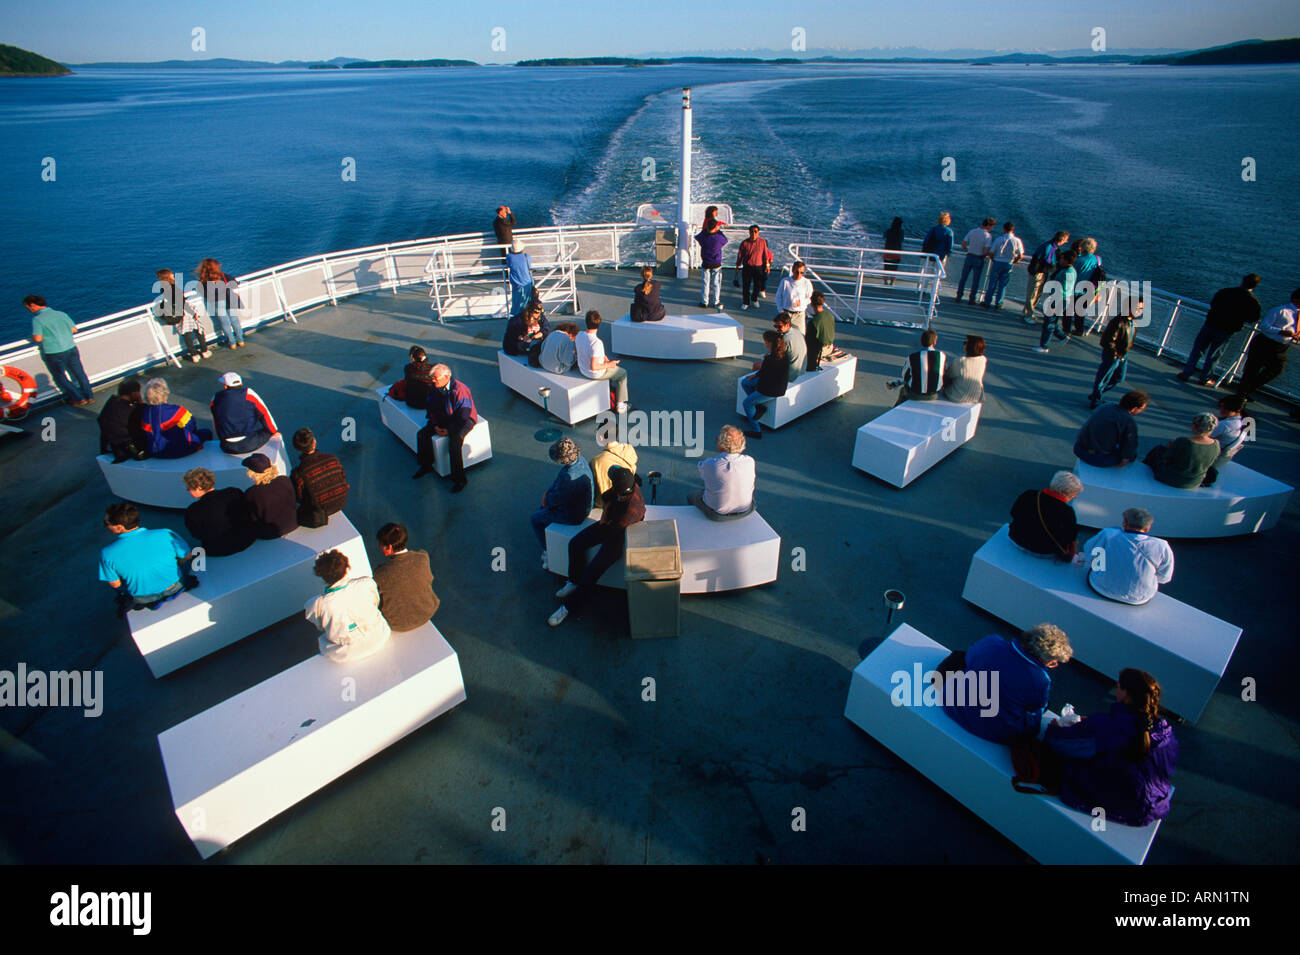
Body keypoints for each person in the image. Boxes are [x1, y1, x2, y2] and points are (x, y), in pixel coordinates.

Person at [1042, 668, 1177, 827]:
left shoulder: (1107, 726)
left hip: (1127, 801)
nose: (1116, 688)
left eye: (1118, 686)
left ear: (1126, 694)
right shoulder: (1165, 730)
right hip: (1156, 800)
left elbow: (1059, 743)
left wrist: (1056, 727)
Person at [942, 624, 1074, 744]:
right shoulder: (1040, 681)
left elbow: (969, 657)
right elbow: (1035, 708)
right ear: (1044, 658)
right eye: (1054, 662)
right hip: (990, 731)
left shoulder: (991, 643)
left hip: (952, 705)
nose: (1055, 665)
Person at [548, 466, 645, 627]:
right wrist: (604, 515)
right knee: (575, 543)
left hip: (620, 531)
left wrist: (606, 524)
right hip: (611, 521)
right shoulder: (627, 483)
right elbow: (608, 498)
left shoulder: (631, 511)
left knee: (593, 571)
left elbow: (615, 529)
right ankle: (573, 580)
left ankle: (568, 608)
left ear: (622, 492)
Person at [99, 501, 196, 618]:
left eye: (106, 523)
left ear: (119, 527)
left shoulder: (107, 553)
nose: (106, 526)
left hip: (143, 598)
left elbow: (115, 584)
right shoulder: (165, 533)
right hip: (175, 586)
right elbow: (188, 555)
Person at [304, 550, 391, 663]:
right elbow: (376, 602)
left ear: (322, 576)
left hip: (345, 653)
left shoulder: (316, 605)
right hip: (379, 636)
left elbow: (320, 626)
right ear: (346, 567)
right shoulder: (366, 583)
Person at [1178, 274, 1261, 385]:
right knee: (1214, 355)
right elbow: (1253, 318)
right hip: (1226, 330)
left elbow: (1213, 304)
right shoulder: (1253, 301)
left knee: (1197, 350)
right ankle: (1205, 379)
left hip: (1210, 324)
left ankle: (1186, 373)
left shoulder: (1225, 292)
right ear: (1255, 286)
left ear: (1243, 281)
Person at [1084, 508, 1174, 605]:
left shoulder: (1108, 534)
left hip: (1100, 587)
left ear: (1125, 523)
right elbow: (1164, 578)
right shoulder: (1161, 546)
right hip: (1139, 597)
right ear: (1147, 528)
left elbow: (1089, 553)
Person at [413, 363, 477, 492]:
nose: (433, 380)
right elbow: (430, 407)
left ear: (446, 377)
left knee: (455, 443)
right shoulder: (434, 388)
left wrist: (449, 430)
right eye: (432, 378)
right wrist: (436, 424)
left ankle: (459, 479)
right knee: (422, 435)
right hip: (444, 417)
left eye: (435, 378)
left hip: (462, 420)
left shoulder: (460, 390)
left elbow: (463, 416)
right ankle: (426, 465)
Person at [531, 437, 594, 567]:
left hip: (574, 515)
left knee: (536, 519)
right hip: (581, 505)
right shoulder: (580, 460)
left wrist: (546, 499)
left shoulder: (569, 476)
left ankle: (549, 552)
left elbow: (556, 499)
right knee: (542, 510)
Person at [24, 295, 94, 406]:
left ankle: (78, 398)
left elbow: (38, 338)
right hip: (71, 348)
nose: (28, 310)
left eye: (28, 307)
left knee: (60, 376)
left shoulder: (37, 319)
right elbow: (74, 329)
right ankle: (89, 396)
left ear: (32, 305)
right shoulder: (61, 314)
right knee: (80, 373)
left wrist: (31, 338)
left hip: (54, 352)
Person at [372, 523, 440, 632]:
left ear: (389, 547)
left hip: (397, 624)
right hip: (428, 611)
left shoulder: (380, 574)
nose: (379, 546)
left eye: (380, 544)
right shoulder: (423, 557)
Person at [1236, 288, 1300, 401]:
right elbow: (1264, 325)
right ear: (1296, 298)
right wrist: (1280, 331)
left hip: (1281, 347)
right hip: (1265, 343)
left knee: (1277, 369)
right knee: (1252, 369)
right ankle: (1241, 395)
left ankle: (1247, 389)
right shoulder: (1280, 310)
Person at [1009, 470, 1083, 560]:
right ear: (1064, 493)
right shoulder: (1067, 512)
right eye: (1074, 494)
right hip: (1043, 552)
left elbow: (1013, 513)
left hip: (1016, 540)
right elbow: (1070, 539)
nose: (1075, 496)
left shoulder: (1029, 494)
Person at [182, 467, 256, 557]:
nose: (188, 491)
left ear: (198, 488)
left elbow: (197, 534)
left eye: (188, 489)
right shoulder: (234, 492)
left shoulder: (193, 511)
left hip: (219, 549)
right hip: (247, 539)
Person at [689, 425, 756, 520]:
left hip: (716, 514)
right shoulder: (750, 461)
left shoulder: (710, 464)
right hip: (745, 510)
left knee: (693, 496)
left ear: (720, 446)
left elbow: (703, 474)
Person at [1088, 295, 1143, 409]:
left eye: (1141, 309)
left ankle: (1096, 394)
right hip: (1113, 354)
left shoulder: (1132, 323)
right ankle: (1095, 401)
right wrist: (1114, 354)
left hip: (1123, 354)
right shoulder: (1118, 322)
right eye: (1137, 308)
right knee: (1103, 378)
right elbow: (1107, 340)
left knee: (1119, 377)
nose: (1139, 311)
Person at [290, 427, 350, 528]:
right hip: (341, 501)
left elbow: (299, 498)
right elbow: (343, 476)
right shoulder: (332, 458)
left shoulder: (297, 473)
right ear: (314, 442)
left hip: (321, 510)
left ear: (297, 448)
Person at [137, 377, 211, 458]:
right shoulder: (177, 411)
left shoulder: (145, 412)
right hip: (181, 449)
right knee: (207, 432)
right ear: (165, 393)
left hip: (156, 451)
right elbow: (192, 426)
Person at [1144, 413, 1221, 488]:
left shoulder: (1183, 441)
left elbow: (1166, 459)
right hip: (1195, 482)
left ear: (1194, 426)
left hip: (1171, 478)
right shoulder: (1216, 444)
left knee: (1158, 450)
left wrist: (1171, 447)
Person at [1073, 390, 1148, 467]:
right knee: (1131, 455)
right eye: (1142, 409)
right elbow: (1129, 446)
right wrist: (1126, 459)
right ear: (1134, 409)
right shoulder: (1128, 421)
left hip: (1079, 448)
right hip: (1096, 458)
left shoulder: (1106, 406)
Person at [153, 268, 212, 363]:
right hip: (185, 313)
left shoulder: (163, 288)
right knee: (198, 330)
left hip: (177, 313)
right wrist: (194, 313)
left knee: (186, 335)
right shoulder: (174, 288)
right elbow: (183, 303)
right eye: (171, 274)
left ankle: (194, 355)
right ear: (168, 276)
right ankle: (204, 351)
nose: (173, 275)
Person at [211, 371, 278, 455]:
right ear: (241, 383)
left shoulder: (215, 397)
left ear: (225, 386)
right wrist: (273, 431)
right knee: (268, 431)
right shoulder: (249, 393)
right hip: (250, 443)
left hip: (227, 446)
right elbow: (264, 413)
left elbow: (216, 421)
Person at [738, 330, 788, 438]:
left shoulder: (770, 359)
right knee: (745, 382)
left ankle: (756, 430)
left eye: (765, 341)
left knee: (746, 403)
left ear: (769, 342)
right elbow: (765, 372)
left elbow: (765, 377)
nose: (764, 343)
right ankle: (758, 406)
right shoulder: (782, 355)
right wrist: (756, 375)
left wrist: (758, 376)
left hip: (771, 389)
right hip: (776, 385)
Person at [575, 311, 628, 408]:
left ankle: (609, 391)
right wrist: (610, 364)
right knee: (622, 374)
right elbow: (594, 366)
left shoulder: (579, 335)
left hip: (582, 369)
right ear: (599, 324)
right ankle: (621, 404)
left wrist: (605, 359)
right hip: (594, 374)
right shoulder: (597, 343)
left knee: (611, 370)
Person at [242, 452, 297, 539]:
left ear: (252, 473)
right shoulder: (285, 480)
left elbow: (253, 518)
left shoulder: (251, 493)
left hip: (270, 533)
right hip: (293, 523)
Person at [1033, 249, 1078, 352]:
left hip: (1058, 300)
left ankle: (1044, 346)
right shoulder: (1071, 271)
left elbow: (1062, 288)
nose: (1060, 260)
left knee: (1049, 323)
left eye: (1062, 258)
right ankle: (1062, 336)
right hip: (1062, 299)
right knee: (1052, 321)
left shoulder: (1066, 272)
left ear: (1066, 261)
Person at [197, 257, 245, 348]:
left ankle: (232, 343)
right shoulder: (223, 275)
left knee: (225, 323)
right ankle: (240, 340)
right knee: (235, 320)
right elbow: (235, 283)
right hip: (229, 299)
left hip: (217, 302)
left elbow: (204, 292)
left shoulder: (203, 280)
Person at [1023, 230, 1070, 320]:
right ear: (1062, 239)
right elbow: (1046, 261)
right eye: (1066, 239)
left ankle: (1027, 311)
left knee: (1036, 293)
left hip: (1042, 272)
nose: (1066, 241)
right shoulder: (1049, 247)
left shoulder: (1052, 247)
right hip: (1038, 272)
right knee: (1033, 293)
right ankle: (1029, 315)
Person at [890, 328, 945, 405]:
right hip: (934, 394)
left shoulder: (912, 357)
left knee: (903, 390)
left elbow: (904, 375)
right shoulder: (942, 356)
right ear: (934, 343)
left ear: (921, 342)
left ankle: (896, 410)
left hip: (915, 394)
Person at [98, 379, 144, 462]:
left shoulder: (111, 402)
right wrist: (141, 405)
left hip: (110, 443)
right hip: (125, 445)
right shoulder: (131, 411)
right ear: (134, 394)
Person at [981, 222, 1024, 310]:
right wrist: (1014, 261)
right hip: (1008, 263)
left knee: (992, 283)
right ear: (1012, 230)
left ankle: (987, 302)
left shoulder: (999, 239)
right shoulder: (1017, 240)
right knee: (1002, 284)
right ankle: (999, 303)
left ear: (1004, 229)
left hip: (997, 262)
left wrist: (993, 260)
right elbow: (1021, 255)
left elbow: (991, 252)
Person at [955, 217, 995, 304]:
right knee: (975, 280)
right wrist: (985, 255)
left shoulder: (972, 231)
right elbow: (986, 250)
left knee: (963, 278)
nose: (992, 228)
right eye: (992, 226)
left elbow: (963, 243)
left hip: (969, 256)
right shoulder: (988, 236)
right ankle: (972, 298)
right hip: (979, 258)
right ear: (988, 225)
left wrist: (967, 250)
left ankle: (959, 295)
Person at [1068, 238, 1102, 336]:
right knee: (1080, 311)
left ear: (1083, 247)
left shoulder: (1078, 260)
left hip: (1076, 288)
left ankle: (1067, 328)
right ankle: (1079, 330)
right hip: (1090, 289)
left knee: (1070, 310)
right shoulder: (1098, 259)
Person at [735, 225, 773, 309]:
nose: (753, 233)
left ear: (758, 232)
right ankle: (746, 302)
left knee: (758, 285)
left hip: (758, 267)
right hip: (747, 267)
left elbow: (766, 255)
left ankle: (754, 299)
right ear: (749, 232)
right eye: (752, 231)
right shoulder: (744, 243)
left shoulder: (762, 242)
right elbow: (740, 256)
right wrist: (737, 266)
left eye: (755, 231)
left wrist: (767, 266)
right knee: (746, 286)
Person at [941, 335, 987, 403]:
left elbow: (948, 376)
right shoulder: (983, 360)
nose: (964, 345)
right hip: (976, 397)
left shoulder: (960, 361)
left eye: (965, 343)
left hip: (957, 397)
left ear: (969, 347)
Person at [695, 217, 728, 309]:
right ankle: (716, 302)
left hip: (706, 262)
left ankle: (704, 302)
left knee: (705, 283)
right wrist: (719, 231)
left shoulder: (703, 236)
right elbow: (725, 240)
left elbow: (697, 237)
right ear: (715, 227)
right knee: (716, 283)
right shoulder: (718, 237)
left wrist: (707, 230)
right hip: (716, 263)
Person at [591, 436, 638, 500]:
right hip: (627, 498)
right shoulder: (629, 451)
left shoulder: (596, 461)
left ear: (600, 437)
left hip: (604, 503)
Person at [804, 291, 840, 370]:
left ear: (811, 304)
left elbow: (808, 342)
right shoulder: (830, 316)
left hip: (821, 351)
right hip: (830, 347)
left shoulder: (813, 322)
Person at [1209, 394, 1251, 462]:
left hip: (1213, 456)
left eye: (1226, 408)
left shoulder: (1225, 425)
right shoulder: (1241, 422)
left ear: (1236, 410)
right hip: (1223, 457)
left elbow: (1205, 436)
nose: (1221, 410)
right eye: (1221, 406)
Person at [775, 260, 813, 333]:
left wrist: (802, 302)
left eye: (801, 272)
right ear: (792, 270)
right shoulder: (785, 281)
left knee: (801, 335)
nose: (799, 274)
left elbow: (810, 297)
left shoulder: (806, 282)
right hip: (786, 313)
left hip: (799, 315)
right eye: (797, 272)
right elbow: (778, 297)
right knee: (782, 335)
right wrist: (781, 311)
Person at [920, 212, 954, 290]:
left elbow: (926, 240)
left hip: (930, 254)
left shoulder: (933, 229)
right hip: (941, 255)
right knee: (937, 274)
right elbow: (950, 246)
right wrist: (948, 253)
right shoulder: (949, 231)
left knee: (927, 273)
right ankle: (934, 291)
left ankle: (923, 289)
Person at [505, 239, 534, 316]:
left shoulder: (509, 257)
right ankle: (526, 317)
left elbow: (508, 264)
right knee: (527, 302)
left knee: (516, 303)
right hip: (528, 282)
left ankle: (516, 318)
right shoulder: (527, 256)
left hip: (516, 283)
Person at [402, 346, 436, 410]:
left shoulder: (408, 368)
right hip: (428, 403)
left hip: (411, 402)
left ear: (412, 358)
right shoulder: (433, 369)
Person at [882, 217, 904, 286]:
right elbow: (901, 240)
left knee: (886, 268)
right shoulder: (901, 232)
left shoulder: (889, 231)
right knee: (894, 269)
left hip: (888, 253)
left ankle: (885, 282)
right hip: (896, 254)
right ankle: (891, 283)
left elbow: (884, 236)